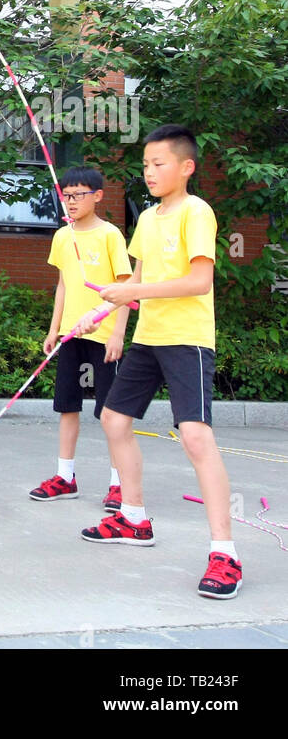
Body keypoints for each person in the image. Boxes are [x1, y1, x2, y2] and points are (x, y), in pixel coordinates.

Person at [79, 124, 242, 599]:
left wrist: (132, 292)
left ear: (186, 167)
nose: (149, 172)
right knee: (113, 419)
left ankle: (225, 553)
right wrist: (103, 310)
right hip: (148, 338)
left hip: (187, 339)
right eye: (145, 165)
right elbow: (140, 280)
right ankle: (133, 518)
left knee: (194, 435)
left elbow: (198, 282)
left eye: (159, 164)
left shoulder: (197, 213)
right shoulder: (147, 219)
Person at [28, 166, 132, 509]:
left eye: (78, 195)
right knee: (67, 405)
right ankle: (65, 477)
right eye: (66, 196)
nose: (71, 202)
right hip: (71, 333)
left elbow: (125, 289)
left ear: (97, 196)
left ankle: (119, 484)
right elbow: (63, 284)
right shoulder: (63, 236)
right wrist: (53, 329)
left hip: (103, 335)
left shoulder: (110, 235)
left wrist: (118, 334)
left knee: (110, 413)